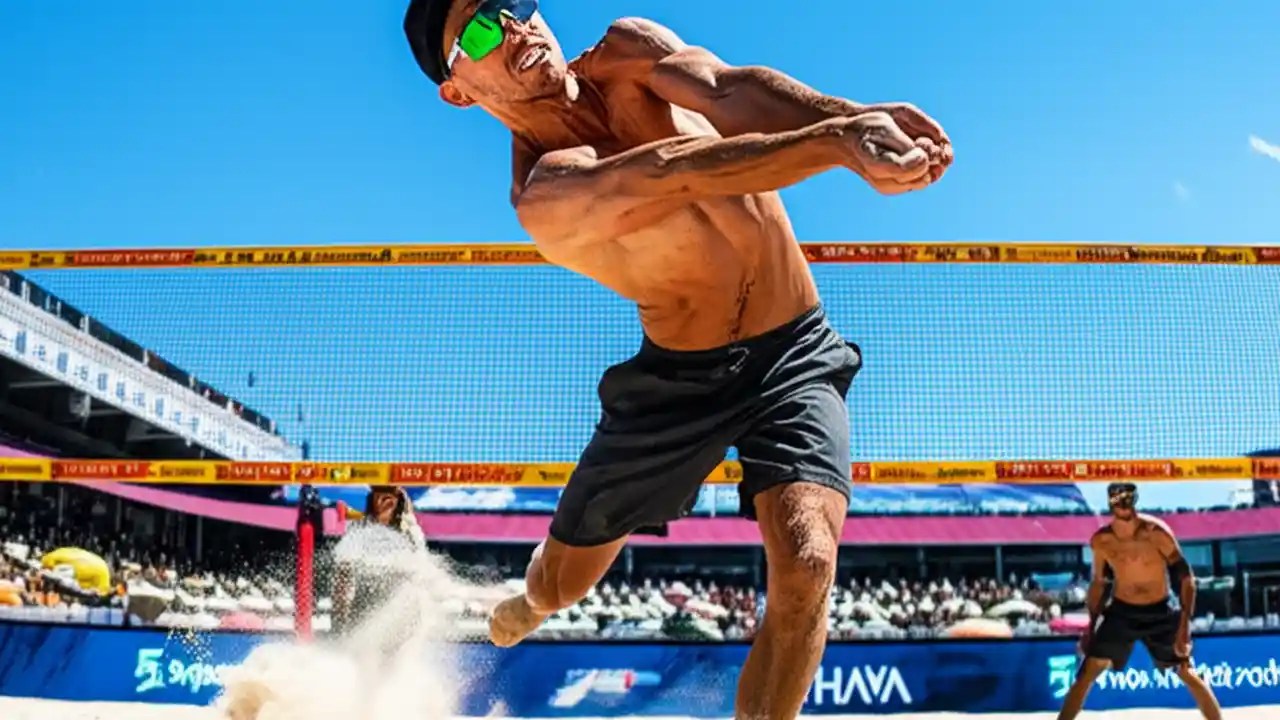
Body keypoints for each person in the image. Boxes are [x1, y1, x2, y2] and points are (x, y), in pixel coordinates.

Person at [403, 2, 952, 717]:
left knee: (809, 561)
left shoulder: (628, 50)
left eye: (515, 4)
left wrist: (856, 115)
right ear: (460, 90)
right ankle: (531, 599)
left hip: (794, 351)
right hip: (676, 385)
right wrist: (838, 141)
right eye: (477, 32)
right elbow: (677, 172)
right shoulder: (546, 192)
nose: (511, 28)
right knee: (563, 584)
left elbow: (731, 92)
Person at [1054, 482, 1223, 720]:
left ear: (1134, 500)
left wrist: (1184, 624)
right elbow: (1100, 583)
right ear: (1111, 502)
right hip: (1122, 612)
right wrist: (1090, 627)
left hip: (1160, 610)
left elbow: (1186, 578)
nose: (1123, 504)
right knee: (1087, 672)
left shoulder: (1155, 532)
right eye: (1118, 499)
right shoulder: (1102, 540)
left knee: (1187, 671)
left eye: (1127, 499)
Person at [331, 485, 426, 637]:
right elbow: (344, 568)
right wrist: (339, 613)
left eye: (389, 499)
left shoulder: (410, 531)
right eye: (379, 497)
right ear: (372, 501)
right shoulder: (359, 528)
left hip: (398, 602)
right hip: (365, 598)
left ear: (397, 503)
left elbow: (419, 568)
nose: (384, 502)